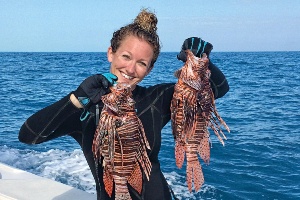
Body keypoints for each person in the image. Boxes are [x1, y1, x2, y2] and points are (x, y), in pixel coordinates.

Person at [18, 9, 229, 200]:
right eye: (126, 56)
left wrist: (201, 60)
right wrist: (76, 98)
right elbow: (29, 136)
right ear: (111, 52)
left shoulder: (158, 98)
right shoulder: (87, 109)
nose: (130, 68)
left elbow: (218, 89)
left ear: (150, 69)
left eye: (141, 63)